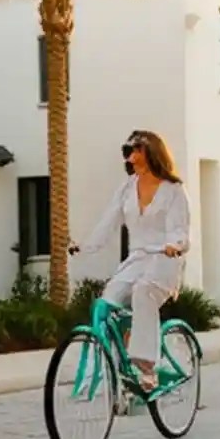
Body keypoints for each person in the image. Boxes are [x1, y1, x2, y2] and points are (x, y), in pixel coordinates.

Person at [71, 130, 190, 392]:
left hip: (164, 260)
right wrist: (86, 245)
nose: (132, 157)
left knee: (143, 291)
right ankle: (118, 361)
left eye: (137, 150)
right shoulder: (126, 188)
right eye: (129, 151)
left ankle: (147, 366)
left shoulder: (173, 190)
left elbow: (180, 229)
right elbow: (108, 221)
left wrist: (174, 244)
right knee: (106, 302)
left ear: (151, 154)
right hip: (136, 259)